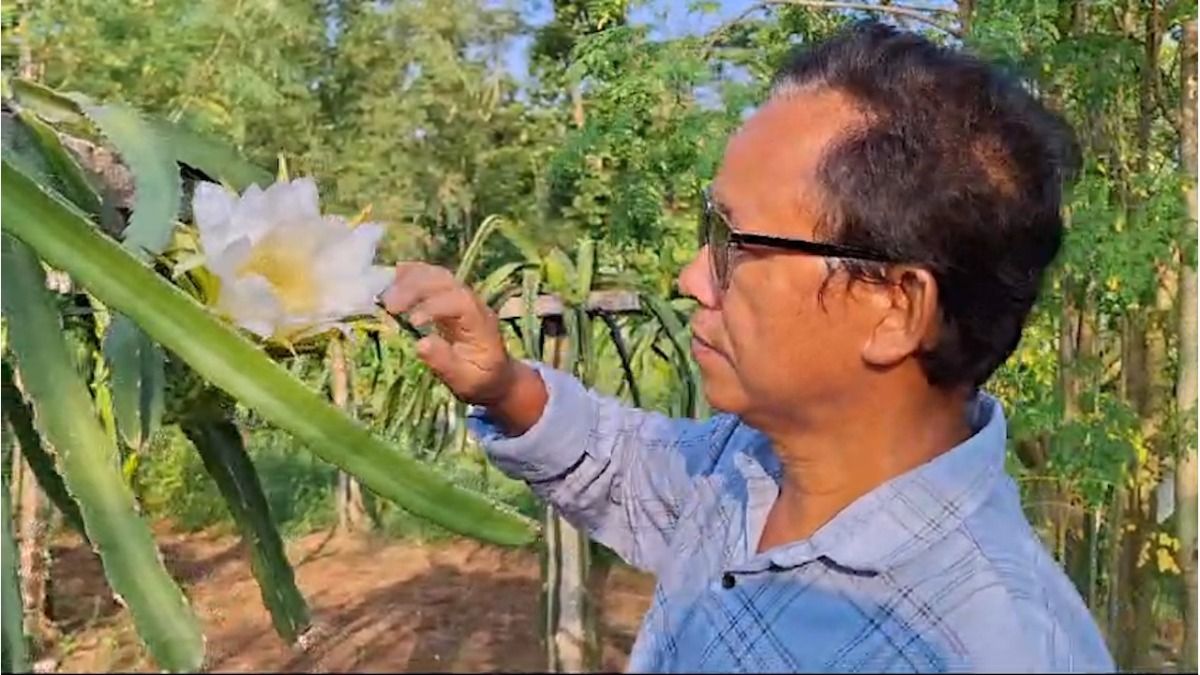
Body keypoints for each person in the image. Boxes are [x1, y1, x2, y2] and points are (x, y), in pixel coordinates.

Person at [382, 20, 1114, 673]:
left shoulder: (995, 645)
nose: (693, 276)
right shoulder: (748, 470)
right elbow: (625, 463)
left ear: (895, 305)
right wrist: (505, 387)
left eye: (733, 242)